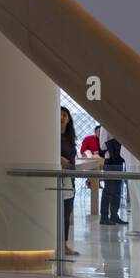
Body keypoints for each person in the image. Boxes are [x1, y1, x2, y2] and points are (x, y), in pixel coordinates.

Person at [59, 107, 80, 256]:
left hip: (69, 180)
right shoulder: (51, 136)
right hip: (56, 181)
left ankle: (64, 245)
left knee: (66, 214)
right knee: (57, 214)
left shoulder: (70, 137)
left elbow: (71, 161)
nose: (61, 118)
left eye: (64, 115)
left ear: (69, 118)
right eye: (59, 115)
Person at [99, 131, 128, 226]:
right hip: (110, 160)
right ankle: (104, 217)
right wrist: (118, 141)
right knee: (108, 190)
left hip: (119, 160)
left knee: (117, 191)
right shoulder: (104, 127)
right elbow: (102, 146)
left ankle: (114, 216)